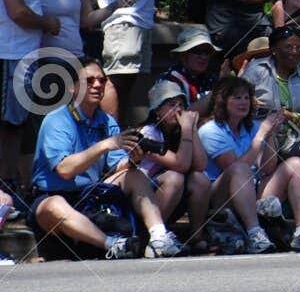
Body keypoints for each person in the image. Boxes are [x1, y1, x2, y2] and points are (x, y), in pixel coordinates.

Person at [29, 60, 177, 260]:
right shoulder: (56, 120)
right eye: (89, 81)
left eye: (102, 80)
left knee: (135, 175)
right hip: (54, 196)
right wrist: (104, 145)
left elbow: (118, 165)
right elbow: (64, 170)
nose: (97, 85)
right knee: (54, 204)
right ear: (73, 87)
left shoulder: (106, 121)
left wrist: (134, 159)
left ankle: (159, 238)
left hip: (89, 195)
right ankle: (113, 245)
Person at [198, 75, 300, 253]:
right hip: (223, 199)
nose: (243, 102)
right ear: (222, 102)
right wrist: (261, 135)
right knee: (240, 169)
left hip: (252, 192)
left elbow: (268, 168)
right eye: (237, 98)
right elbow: (237, 169)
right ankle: (255, 232)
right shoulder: (210, 130)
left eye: (247, 98)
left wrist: (270, 134)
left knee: (297, 164)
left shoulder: (252, 127)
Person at [1, 0, 53, 185]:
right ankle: (5, 187)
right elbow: (16, 10)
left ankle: (9, 187)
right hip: (10, 53)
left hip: (22, 54)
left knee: (16, 125)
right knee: (9, 126)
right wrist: (48, 22)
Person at [136, 79, 213, 251]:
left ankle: (196, 237)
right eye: (171, 105)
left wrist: (192, 130)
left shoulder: (180, 131)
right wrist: (187, 130)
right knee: (175, 177)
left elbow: (200, 165)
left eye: (181, 105)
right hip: (141, 197)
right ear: (157, 110)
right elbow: (180, 165)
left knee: (200, 179)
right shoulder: (148, 132)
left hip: (166, 196)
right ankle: (151, 237)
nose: (178, 110)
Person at [241, 24, 300, 144]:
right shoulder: (256, 69)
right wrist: (249, 102)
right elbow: (236, 100)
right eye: (288, 47)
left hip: (296, 136)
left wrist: (291, 116)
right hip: (260, 133)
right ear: (274, 49)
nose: (294, 52)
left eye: (299, 48)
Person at [160, 27, 220, 109]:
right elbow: (181, 116)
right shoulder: (170, 80)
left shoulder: (211, 78)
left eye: (207, 52)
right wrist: (219, 88)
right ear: (183, 55)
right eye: (197, 51)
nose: (203, 57)